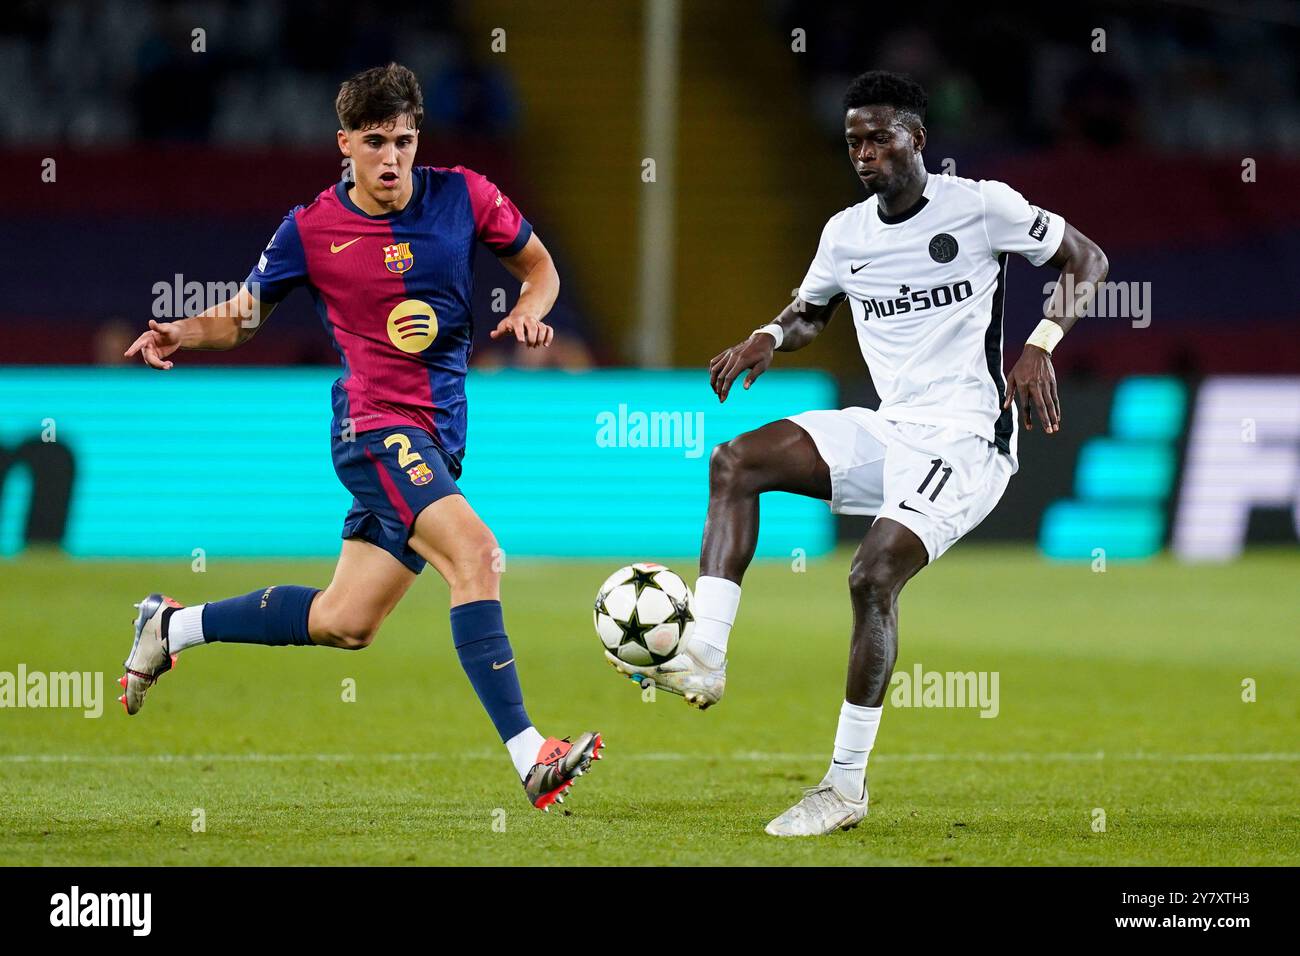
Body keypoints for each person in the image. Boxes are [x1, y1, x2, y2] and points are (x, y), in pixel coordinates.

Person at [609, 70, 1108, 836]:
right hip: (890, 425)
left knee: (872, 575)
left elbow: (1088, 261)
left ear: (918, 139)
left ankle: (843, 787)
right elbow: (812, 311)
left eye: (880, 138)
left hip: (968, 436)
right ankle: (705, 650)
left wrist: (1042, 344)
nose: (865, 153)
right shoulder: (846, 232)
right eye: (853, 142)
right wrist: (771, 336)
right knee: (735, 462)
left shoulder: (980, 206)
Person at [121, 63, 601, 812]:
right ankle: (529, 753)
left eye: (404, 141)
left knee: (346, 623)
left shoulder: (465, 196)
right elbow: (246, 314)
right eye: (374, 141)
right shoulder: (310, 228)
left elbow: (539, 268)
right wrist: (182, 328)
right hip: (373, 427)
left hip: (438, 437)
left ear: (419, 140)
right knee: (476, 555)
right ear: (343, 142)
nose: (390, 158)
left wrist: (534, 309)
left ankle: (173, 626)